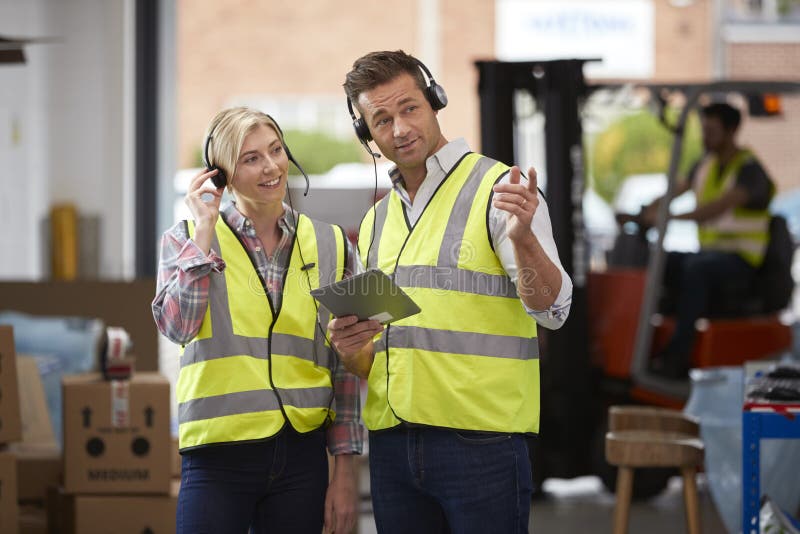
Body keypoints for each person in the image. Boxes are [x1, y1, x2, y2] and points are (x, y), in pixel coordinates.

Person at [329, 50, 572, 533]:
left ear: (435, 102)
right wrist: (354, 350)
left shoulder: (499, 189)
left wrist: (524, 239)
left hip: (481, 444)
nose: (398, 129)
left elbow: (555, 310)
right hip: (395, 447)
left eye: (409, 108)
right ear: (367, 134)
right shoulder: (378, 220)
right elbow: (380, 353)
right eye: (381, 119)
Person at [152, 107, 363, 534]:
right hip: (217, 458)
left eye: (276, 150)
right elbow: (178, 326)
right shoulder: (186, 239)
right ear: (221, 175)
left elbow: (344, 367)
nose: (271, 167)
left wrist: (345, 471)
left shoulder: (332, 244)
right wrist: (204, 234)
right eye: (251, 158)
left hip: (301, 458)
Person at [641, 101, 775, 379]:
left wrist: (669, 218)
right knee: (662, 260)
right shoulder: (705, 164)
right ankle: (648, 345)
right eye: (703, 130)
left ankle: (677, 356)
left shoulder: (750, 170)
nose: (705, 138)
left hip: (744, 262)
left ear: (732, 130)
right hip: (711, 255)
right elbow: (675, 190)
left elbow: (719, 207)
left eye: (712, 131)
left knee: (696, 269)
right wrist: (647, 209)